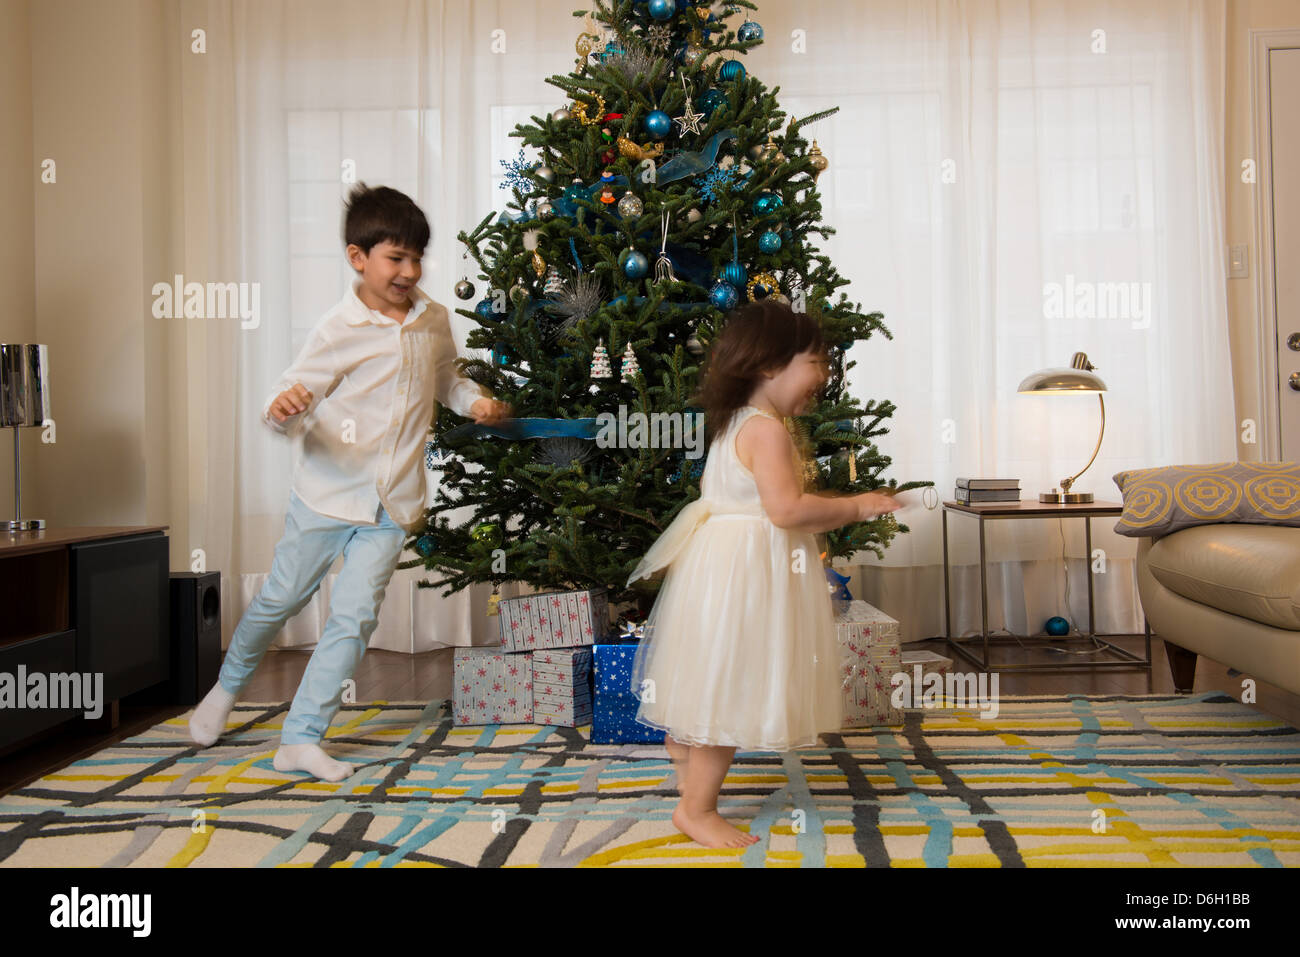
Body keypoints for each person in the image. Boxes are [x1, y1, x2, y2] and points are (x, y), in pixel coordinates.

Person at [188, 183, 512, 781]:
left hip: (394, 500)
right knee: (282, 599)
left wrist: (475, 402)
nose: (409, 270)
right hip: (327, 494)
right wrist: (282, 407)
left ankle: (301, 737)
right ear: (357, 257)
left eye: (417, 257)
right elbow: (291, 394)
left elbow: (446, 379)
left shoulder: (433, 319)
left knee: (356, 616)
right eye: (396, 257)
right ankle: (225, 689)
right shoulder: (339, 327)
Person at [625, 299, 904, 848]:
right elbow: (787, 511)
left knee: (710, 674)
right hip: (748, 571)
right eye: (815, 362)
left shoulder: (737, 424)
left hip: (721, 565)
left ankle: (687, 774)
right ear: (771, 365)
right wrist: (858, 505)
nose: (823, 376)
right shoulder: (767, 432)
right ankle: (696, 808)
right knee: (731, 684)